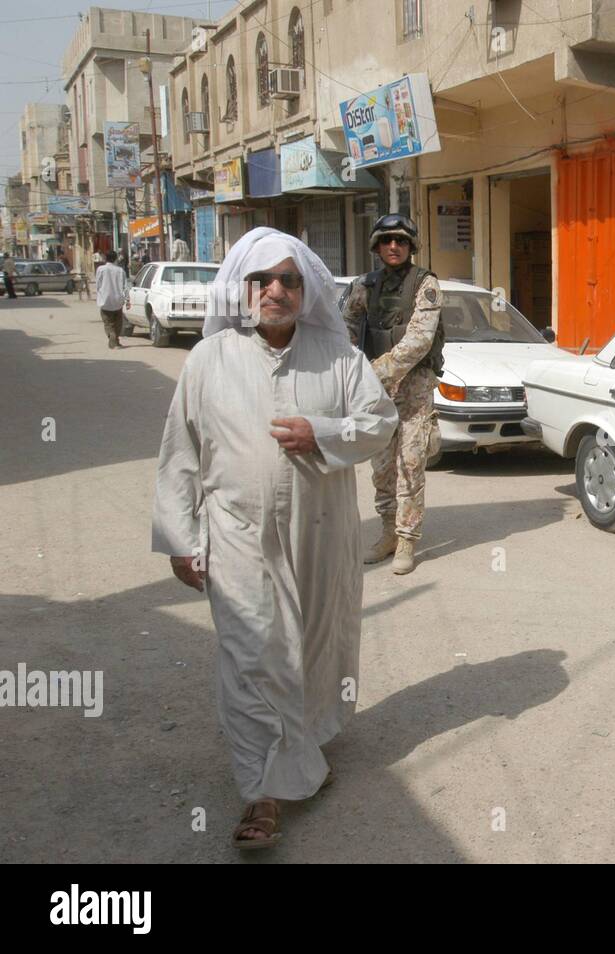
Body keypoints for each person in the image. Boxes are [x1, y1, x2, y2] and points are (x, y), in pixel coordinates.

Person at [151, 227, 399, 850]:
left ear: (305, 288)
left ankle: (304, 751)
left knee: (316, 648)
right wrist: (181, 535)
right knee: (254, 654)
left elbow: (380, 424)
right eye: (262, 280)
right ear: (243, 288)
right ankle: (263, 793)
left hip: (321, 535)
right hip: (236, 535)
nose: (276, 291)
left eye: (289, 280)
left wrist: (321, 432)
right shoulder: (209, 360)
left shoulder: (337, 356)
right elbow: (180, 453)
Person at [342, 213, 445, 575]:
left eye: (401, 241)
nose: (394, 246)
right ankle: (387, 531)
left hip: (414, 388)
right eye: (387, 241)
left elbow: (419, 340)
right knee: (382, 466)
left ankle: (406, 538)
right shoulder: (364, 285)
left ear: (410, 246)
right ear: (377, 246)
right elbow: (347, 329)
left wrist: (373, 373)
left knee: (411, 463)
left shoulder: (425, 284)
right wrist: (350, 369)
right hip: (376, 392)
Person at [95, 250, 129, 349]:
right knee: (118, 322)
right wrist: (127, 299)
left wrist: (100, 294)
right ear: (115, 259)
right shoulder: (120, 270)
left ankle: (112, 336)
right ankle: (116, 340)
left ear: (105, 258)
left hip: (105, 300)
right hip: (117, 301)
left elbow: (98, 284)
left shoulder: (101, 269)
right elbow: (125, 286)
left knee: (108, 322)